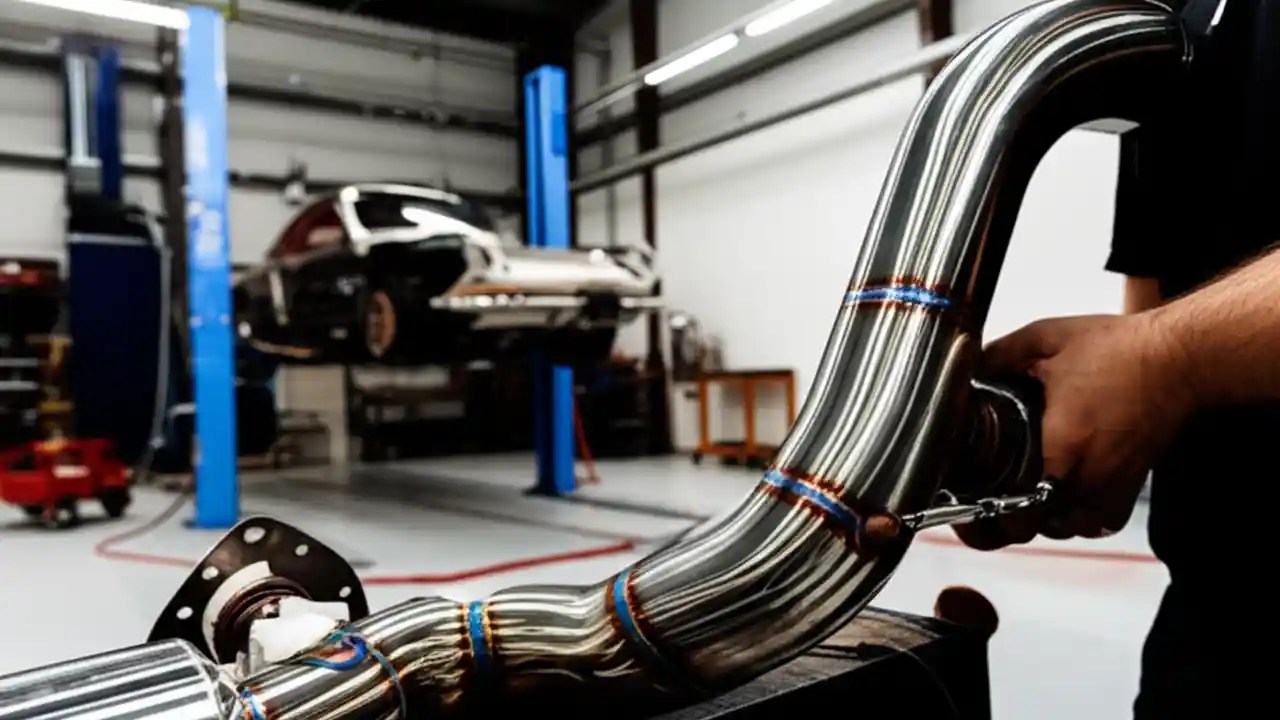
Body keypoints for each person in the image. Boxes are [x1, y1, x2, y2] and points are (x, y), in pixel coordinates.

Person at [952, 0, 1277, 717]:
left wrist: (1170, 359)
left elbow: (1160, 343)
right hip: (1212, 616)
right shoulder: (1179, 20)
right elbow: (1154, 293)